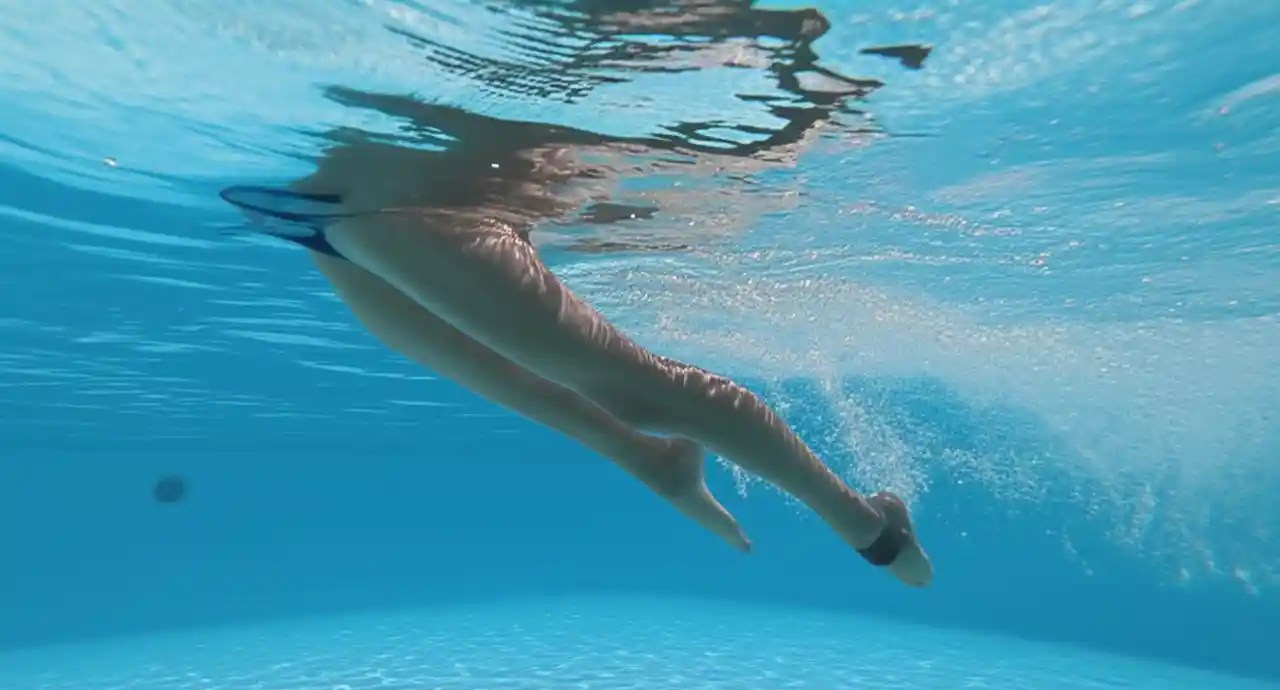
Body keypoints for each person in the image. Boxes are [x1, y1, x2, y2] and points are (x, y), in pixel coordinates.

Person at [222, 93, 932, 588]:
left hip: (398, 208)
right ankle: (655, 465)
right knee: (533, 389)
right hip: (325, 219)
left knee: (639, 390)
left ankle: (869, 526)